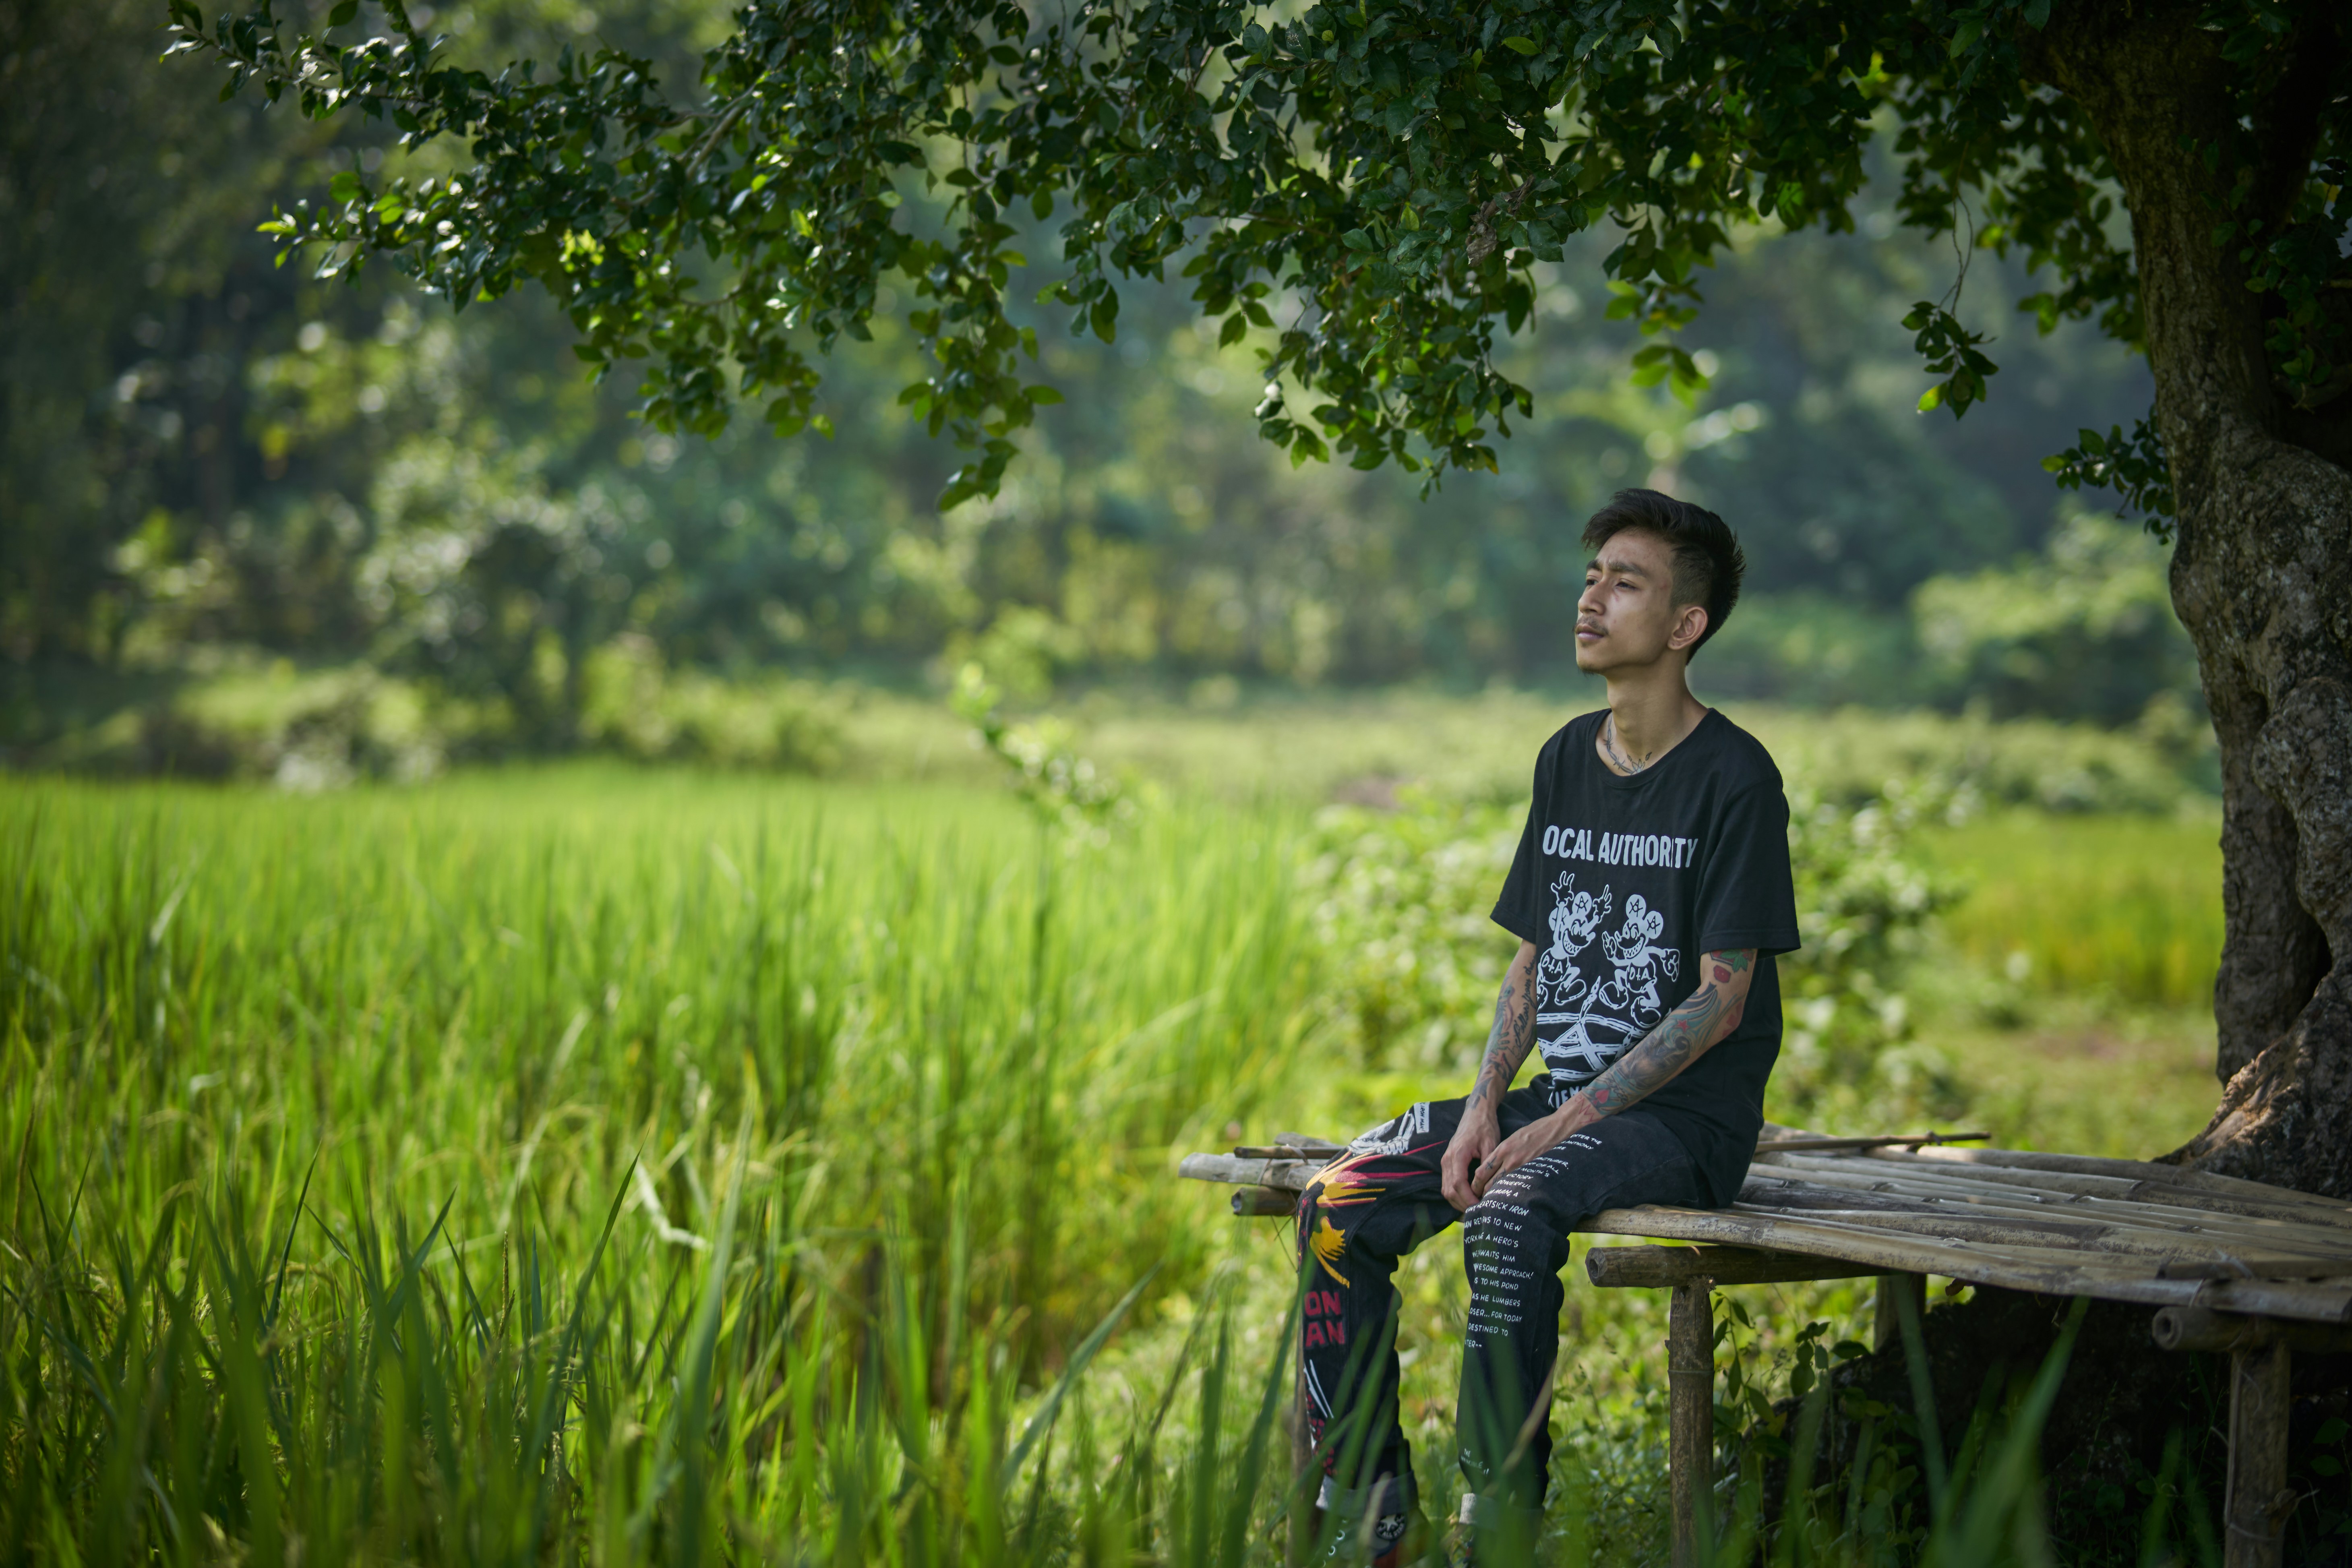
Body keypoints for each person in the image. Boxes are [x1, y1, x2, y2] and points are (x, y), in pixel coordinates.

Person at [1296, 490, 1802, 1563]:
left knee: (1511, 1212)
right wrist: (1486, 1104)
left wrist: (1558, 1124)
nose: (1591, 598)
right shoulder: (1567, 759)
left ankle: (1500, 1519)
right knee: (1337, 1205)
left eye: (1625, 582)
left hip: (1681, 1124)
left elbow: (1722, 996)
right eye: (1590, 577)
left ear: (1683, 627)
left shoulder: (1734, 779)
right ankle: (1370, 1508)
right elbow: (1532, 957)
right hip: (1555, 1108)